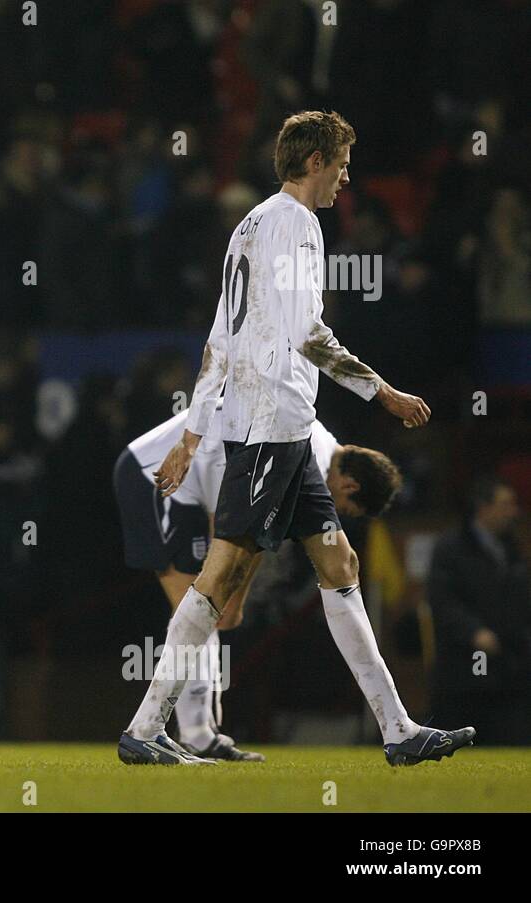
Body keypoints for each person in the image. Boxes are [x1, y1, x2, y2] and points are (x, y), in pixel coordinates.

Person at [118, 110, 474, 767]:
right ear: (314, 160)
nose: (346, 175)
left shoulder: (249, 225)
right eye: (341, 162)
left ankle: (397, 729)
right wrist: (382, 390)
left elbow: (219, 340)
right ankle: (144, 726)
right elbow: (308, 333)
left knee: (340, 565)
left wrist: (194, 434)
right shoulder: (299, 226)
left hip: (286, 424)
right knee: (222, 572)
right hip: (267, 424)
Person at [115, 411, 403, 759]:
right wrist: (231, 594)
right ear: (350, 487)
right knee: (193, 605)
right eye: (346, 510)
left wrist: (230, 593)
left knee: (203, 611)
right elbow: (237, 518)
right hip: (154, 475)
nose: (337, 514)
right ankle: (182, 734)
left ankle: (197, 734)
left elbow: (249, 521)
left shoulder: (317, 438)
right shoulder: (304, 455)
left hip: (191, 487)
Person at [427, 477, 531, 745]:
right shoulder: (451, 548)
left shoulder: (512, 550)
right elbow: (442, 600)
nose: (513, 512)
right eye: (505, 504)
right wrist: (474, 632)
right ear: (483, 508)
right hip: (465, 661)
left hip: (509, 663)